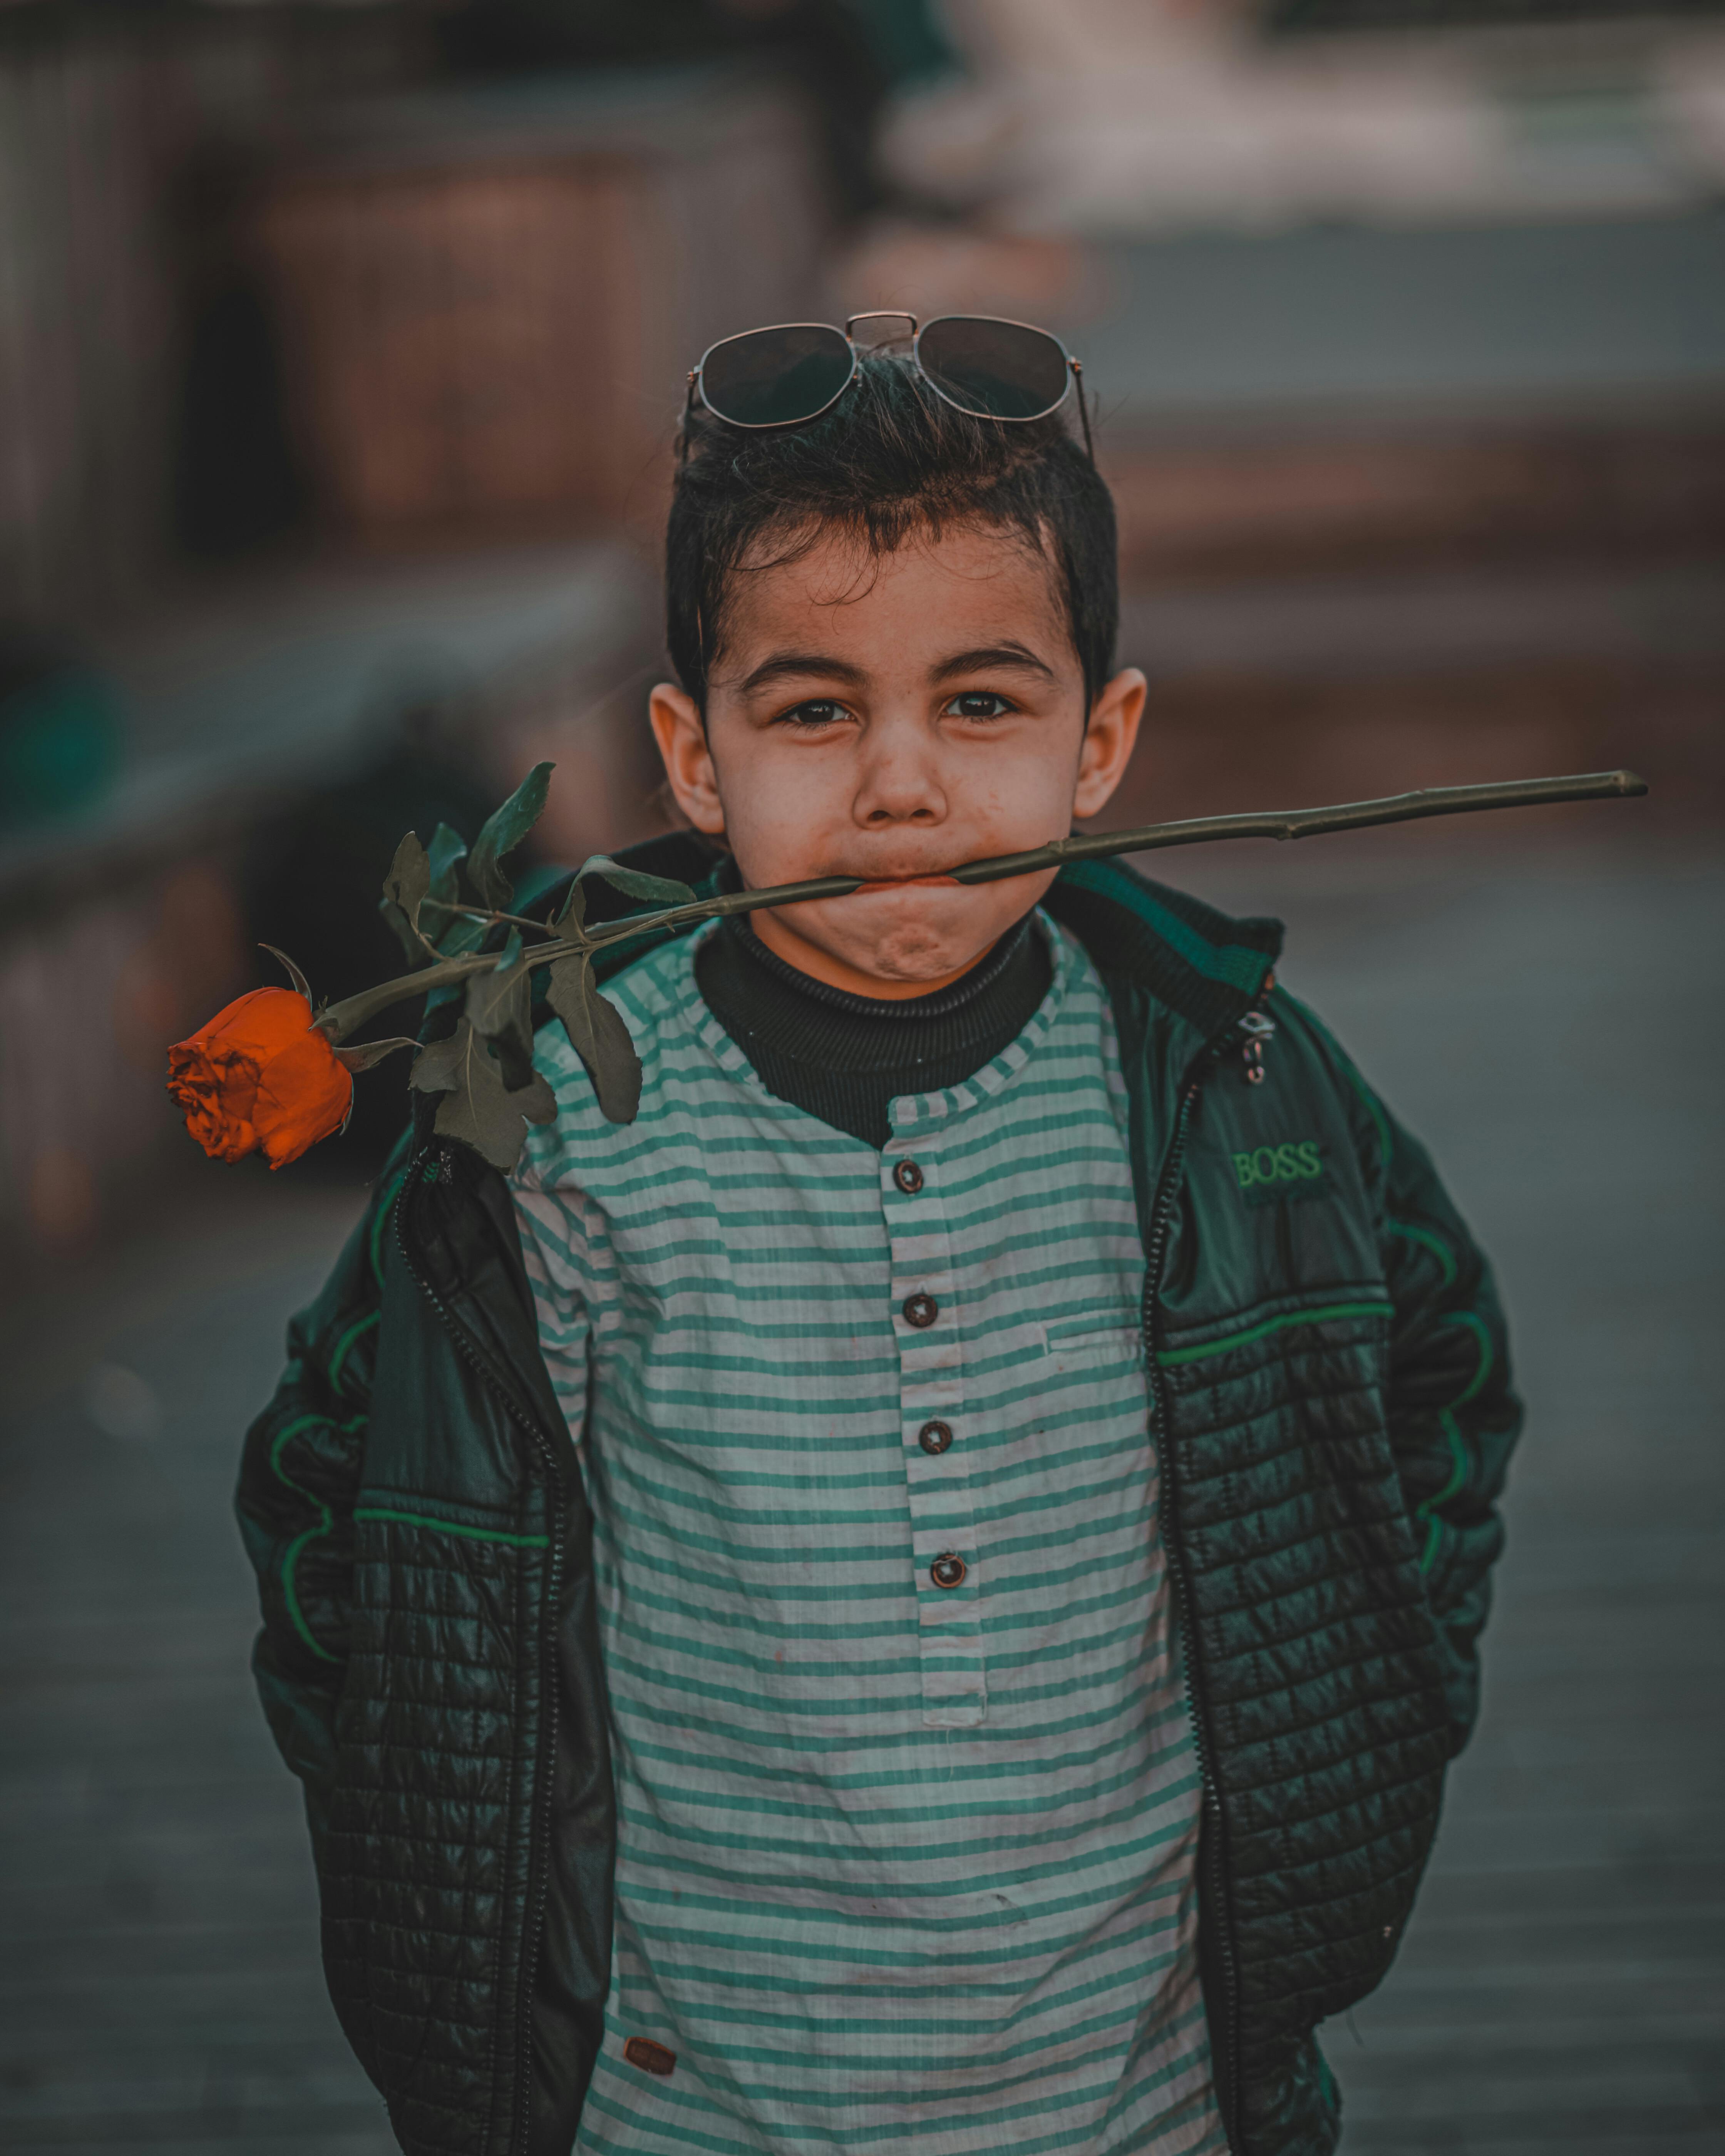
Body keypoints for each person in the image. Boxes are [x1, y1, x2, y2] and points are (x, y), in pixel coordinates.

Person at [236, 330, 1521, 2156]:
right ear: (694, 752)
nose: (899, 785)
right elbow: (333, 1481)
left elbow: (1435, 1367)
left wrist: (1371, 1708)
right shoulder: (550, 1118)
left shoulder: (1220, 1078)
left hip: (1140, 2092)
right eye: (815, 709)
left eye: (982, 705)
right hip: (680, 2105)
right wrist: (433, 1813)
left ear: (1103, 740)